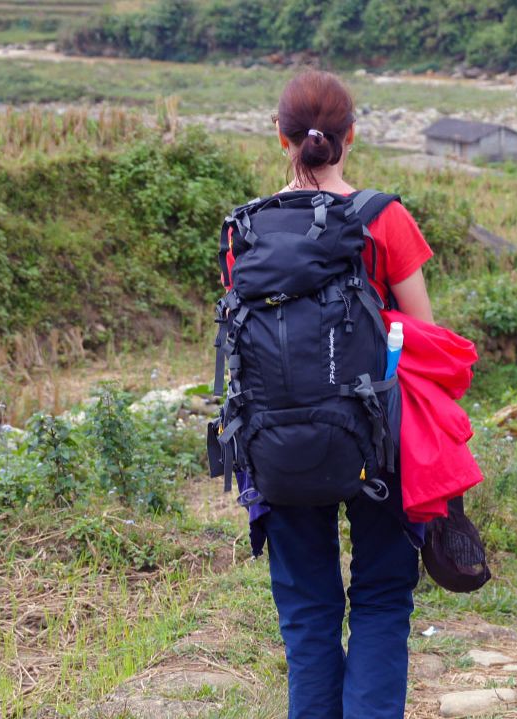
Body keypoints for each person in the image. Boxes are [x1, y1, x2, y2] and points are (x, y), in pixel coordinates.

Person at [222, 70, 434, 719]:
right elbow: (424, 337)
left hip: (278, 444)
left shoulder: (247, 230)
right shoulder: (383, 219)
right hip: (378, 444)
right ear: (351, 138)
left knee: (309, 612)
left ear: (282, 137)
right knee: (379, 600)